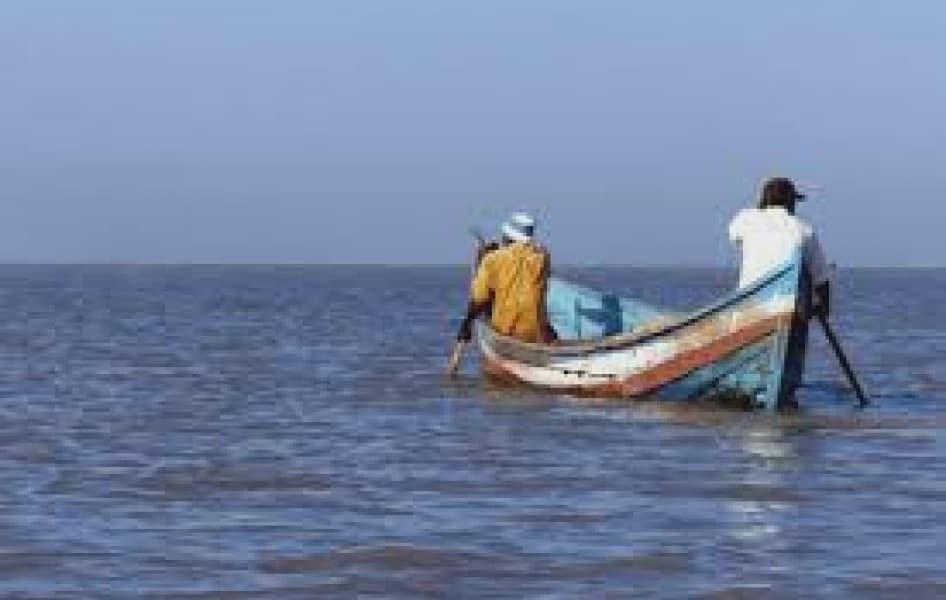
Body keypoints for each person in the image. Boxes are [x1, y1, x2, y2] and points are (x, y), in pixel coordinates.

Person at [729, 177, 831, 318]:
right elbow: (821, 280)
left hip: (748, 312)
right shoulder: (804, 229)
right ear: (789, 202)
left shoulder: (745, 219)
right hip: (789, 311)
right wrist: (823, 309)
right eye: (794, 202)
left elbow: (735, 237)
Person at [455, 212, 558, 346]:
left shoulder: (492, 260)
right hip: (536, 332)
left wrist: (466, 324)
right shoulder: (543, 257)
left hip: (505, 330)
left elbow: (479, 299)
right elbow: (521, 260)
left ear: (507, 235)